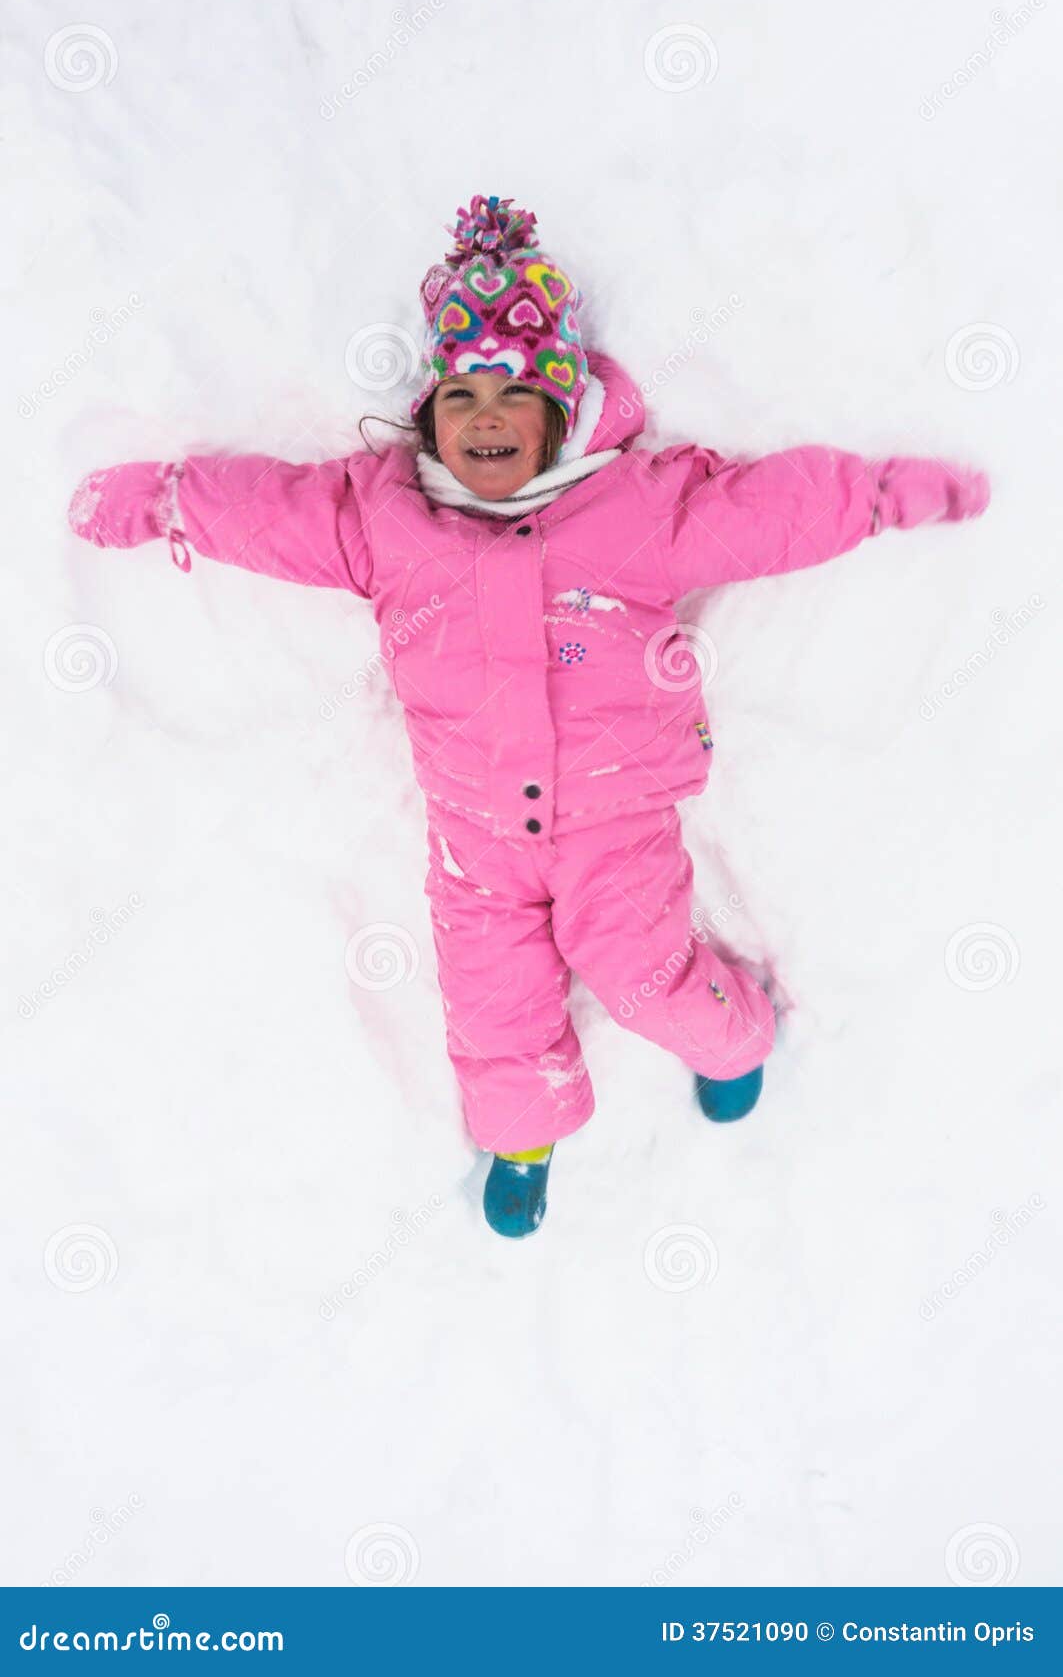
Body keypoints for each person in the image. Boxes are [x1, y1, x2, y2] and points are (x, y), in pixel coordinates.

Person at [67, 194, 991, 1238]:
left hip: (614, 825)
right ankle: (521, 1137)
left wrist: (877, 495)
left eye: (513, 395)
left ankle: (735, 1037)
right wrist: (171, 500)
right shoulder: (384, 519)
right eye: (459, 396)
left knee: (641, 976)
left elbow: (763, 515)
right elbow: (274, 512)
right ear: (428, 417)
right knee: (490, 1008)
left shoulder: (634, 510)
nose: (485, 418)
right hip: (476, 846)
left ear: (561, 415)